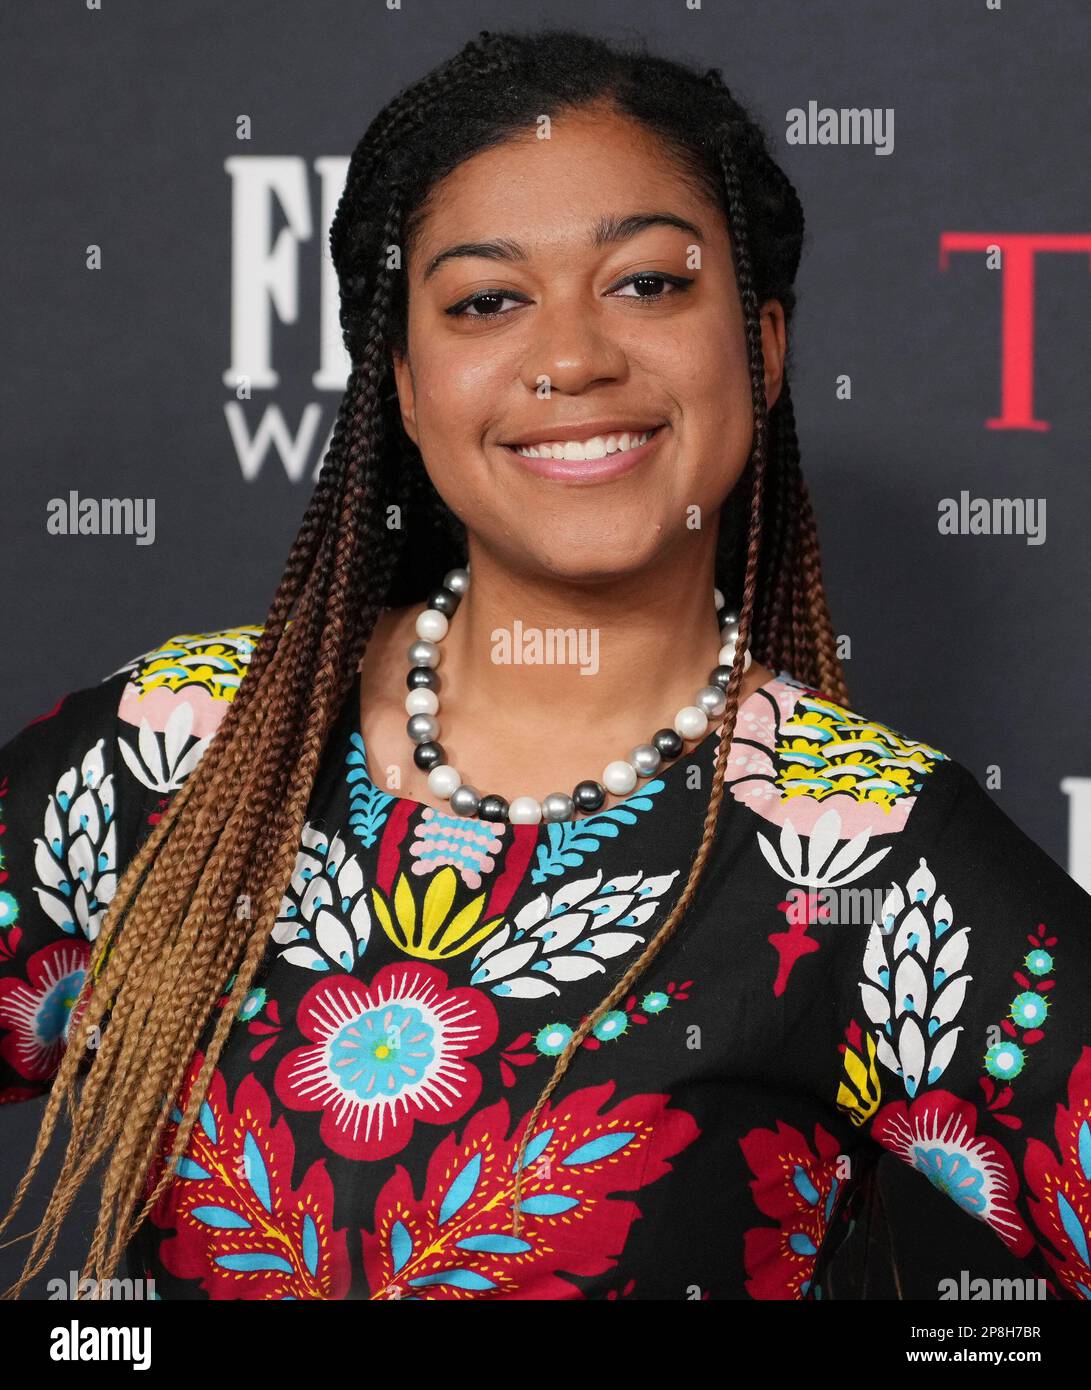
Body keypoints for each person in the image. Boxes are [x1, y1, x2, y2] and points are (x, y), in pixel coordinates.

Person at [1, 27, 1088, 1302]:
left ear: (765, 343)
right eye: (484, 301)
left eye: (646, 284)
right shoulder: (179, 746)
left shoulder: (862, 849)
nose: (571, 357)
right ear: (403, 385)